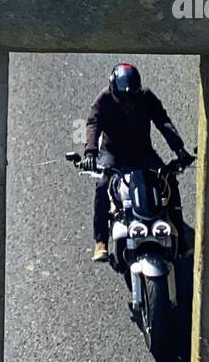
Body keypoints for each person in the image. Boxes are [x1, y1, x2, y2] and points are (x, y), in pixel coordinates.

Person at [82, 63, 194, 262]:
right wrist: (90, 153)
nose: (127, 102)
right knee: (101, 186)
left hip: (142, 152)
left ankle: (181, 238)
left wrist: (178, 148)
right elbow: (93, 123)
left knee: (169, 180)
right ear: (113, 89)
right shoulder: (104, 99)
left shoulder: (146, 97)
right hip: (113, 153)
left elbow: (163, 121)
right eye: (122, 98)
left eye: (131, 97)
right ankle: (101, 241)